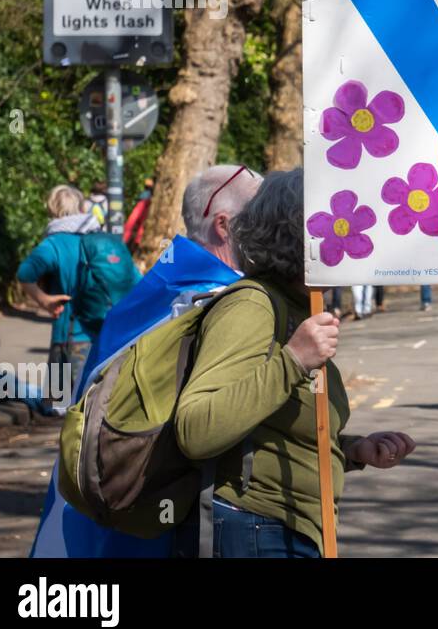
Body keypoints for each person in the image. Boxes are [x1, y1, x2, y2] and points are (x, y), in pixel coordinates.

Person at [176, 169, 416, 557]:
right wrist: (294, 360)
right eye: (342, 231)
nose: (356, 245)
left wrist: (352, 451)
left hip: (286, 529)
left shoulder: (295, 307)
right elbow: (196, 429)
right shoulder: (252, 304)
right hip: (254, 529)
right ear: (299, 237)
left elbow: (275, 425)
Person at [30, 163, 263, 558]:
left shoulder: (159, 287)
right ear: (224, 225)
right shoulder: (214, 302)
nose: (268, 229)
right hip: (151, 518)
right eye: (259, 218)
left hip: (100, 511)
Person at [16, 185, 108, 403]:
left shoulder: (54, 244)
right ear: (81, 207)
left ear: (52, 210)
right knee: (97, 405)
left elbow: (24, 274)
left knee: (63, 406)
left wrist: (44, 300)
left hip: (70, 335)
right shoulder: (102, 240)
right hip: (107, 331)